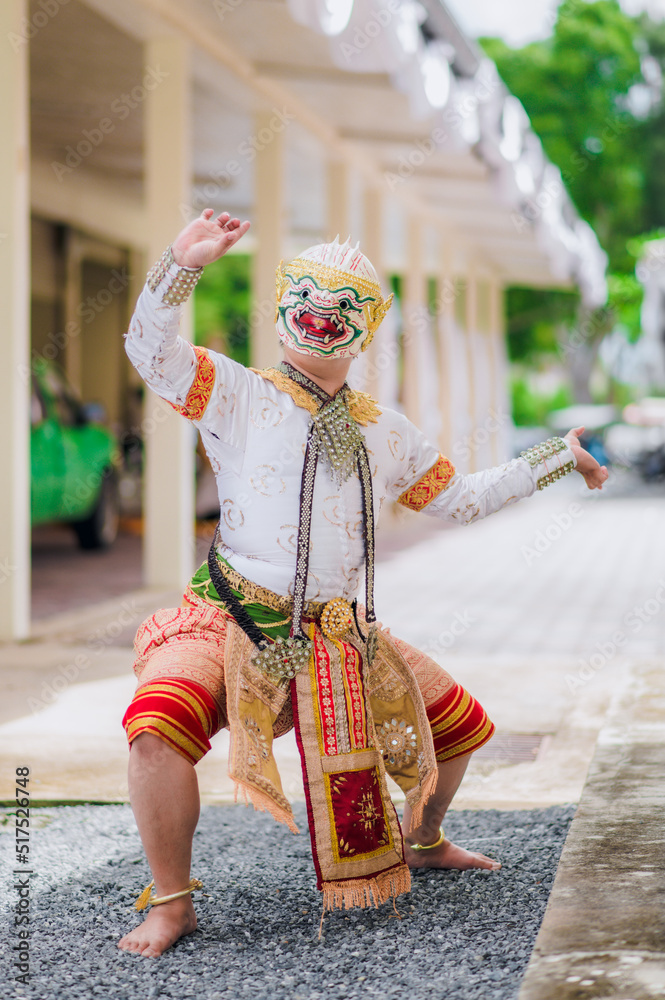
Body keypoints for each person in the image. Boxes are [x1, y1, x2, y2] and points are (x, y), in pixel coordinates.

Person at [117, 210, 608, 958]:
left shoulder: (386, 430)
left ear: (368, 325)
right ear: (283, 309)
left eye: (343, 304)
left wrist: (553, 458)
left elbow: (461, 498)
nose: (322, 315)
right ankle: (172, 901)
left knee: (460, 724)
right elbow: (148, 350)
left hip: (338, 631)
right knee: (155, 729)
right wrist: (181, 263)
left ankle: (422, 838)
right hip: (230, 616)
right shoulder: (238, 393)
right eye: (308, 299)